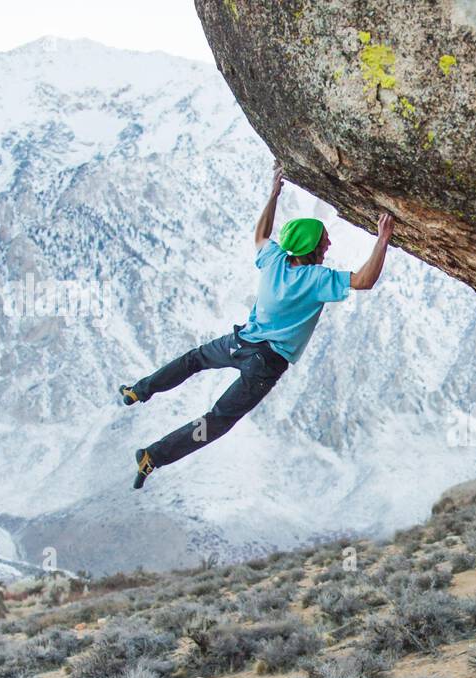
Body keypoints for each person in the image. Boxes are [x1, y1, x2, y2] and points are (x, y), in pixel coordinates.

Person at [121, 163, 394, 489]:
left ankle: (140, 390)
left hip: (241, 342)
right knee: (218, 420)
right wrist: (382, 240)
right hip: (265, 363)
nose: (329, 245)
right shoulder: (316, 279)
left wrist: (273, 194)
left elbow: (261, 235)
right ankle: (155, 456)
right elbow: (364, 280)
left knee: (194, 360)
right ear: (310, 247)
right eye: (324, 240)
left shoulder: (275, 259)